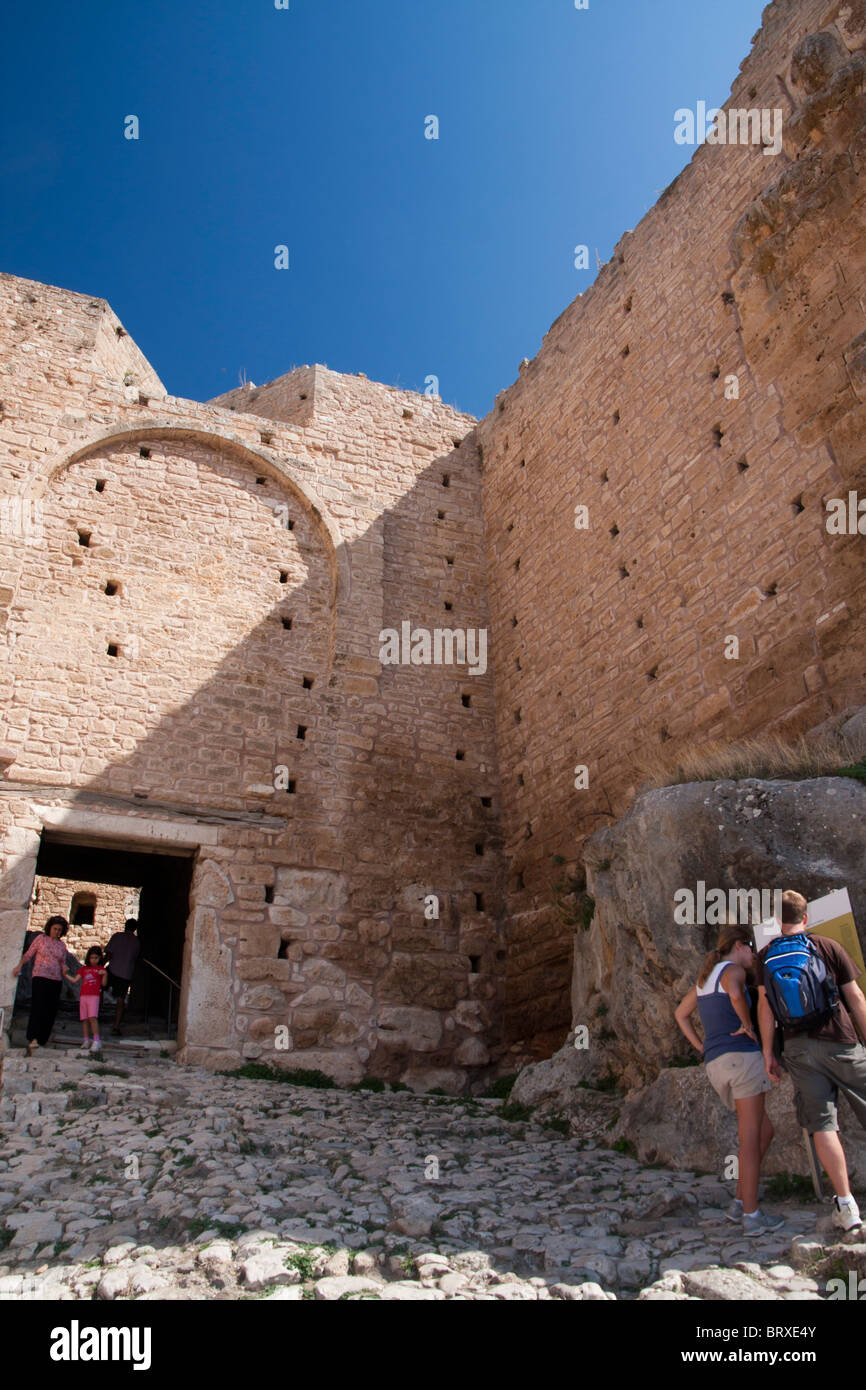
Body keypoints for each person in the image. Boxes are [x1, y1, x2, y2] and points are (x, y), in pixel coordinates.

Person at [756, 889, 866, 1233]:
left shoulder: (765, 956)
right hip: (840, 1041)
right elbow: (855, 998)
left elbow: (766, 1008)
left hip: (799, 1049)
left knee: (822, 1125)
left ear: (776, 920)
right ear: (806, 918)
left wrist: (768, 1053)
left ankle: (846, 1205)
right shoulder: (827, 946)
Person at [675, 922, 782, 1236]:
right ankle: (752, 1216)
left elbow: (680, 1014)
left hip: (718, 1065)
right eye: (750, 948)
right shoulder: (732, 971)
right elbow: (737, 994)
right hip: (742, 1059)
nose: (752, 955)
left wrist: (703, 1047)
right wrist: (749, 1025)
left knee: (764, 1132)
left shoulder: (704, 979)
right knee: (750, 1140)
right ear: (738, 946)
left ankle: (739, 1202)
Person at [11, 916, 70, 1056]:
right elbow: (29, 954)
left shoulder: (62, 946)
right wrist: (19, 966)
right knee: (38, 1006)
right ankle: (33, 1038)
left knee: (50, 1010)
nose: (56, 932)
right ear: (49, 927)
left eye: (59, 930)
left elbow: (62, 962)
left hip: (55, 979)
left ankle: (43, 1039)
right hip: (40, 976)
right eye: (55, 928)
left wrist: (65, 969)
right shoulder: (41, 939)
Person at [65, 946, 107, 1056]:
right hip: (83, 996)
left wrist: (105, 975)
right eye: (92, 957)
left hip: (94, 996)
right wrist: (65, 974)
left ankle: (96, 1040)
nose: (94, 960)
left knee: (92, 1017)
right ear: (88, 958)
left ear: (100, 958)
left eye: (96, 958)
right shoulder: (83, 969)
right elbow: (75, 980)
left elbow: (103, 984)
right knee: (84, 1019)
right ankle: (86, 1040)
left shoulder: (100, 970)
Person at [103, 918, 140, 1035]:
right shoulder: (137, 942)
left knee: (99, 988)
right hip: (126, 974)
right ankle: (116, 1026)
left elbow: (109, 953)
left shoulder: (117, 936)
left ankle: (95, 1013)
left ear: (125, 926)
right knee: (121, 999)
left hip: (113, 970)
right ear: (135, 929)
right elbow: (136, 958)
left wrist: (101, 965)